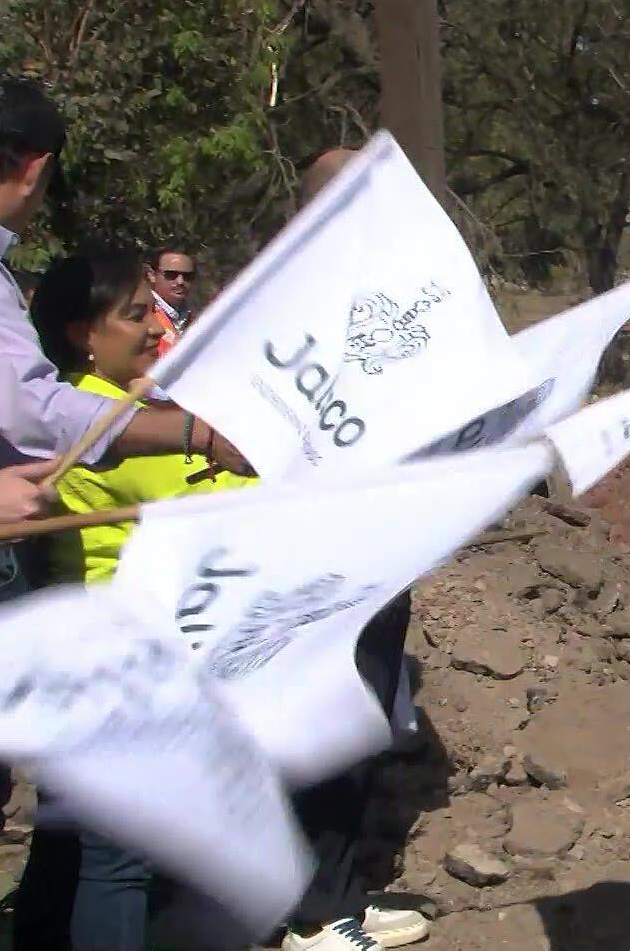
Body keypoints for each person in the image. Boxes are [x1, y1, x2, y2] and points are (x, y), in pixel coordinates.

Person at [0, 79, 251, 951]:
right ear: (34, 170)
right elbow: (31, 412)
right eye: (136, 309)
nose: (153, 324)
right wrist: (194, 435)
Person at [11, 253, 251, 951]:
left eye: (154, 307)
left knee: (66, 838)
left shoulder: (100, 409)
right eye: (136, 313)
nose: (156, 326)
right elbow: (220, 509)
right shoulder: (105, 426)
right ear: (84, 331)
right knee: (120, 859)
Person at [266, 144, 430, 951]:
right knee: (328, 730)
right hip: (328, 553)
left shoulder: (362, 295)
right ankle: (312, 916)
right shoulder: (298, 302)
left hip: (375, 542)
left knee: (354, 727)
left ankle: (335, 897)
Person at [144, 246, 195, 356]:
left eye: (188, 276)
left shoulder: (197, 319)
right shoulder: (140, 314)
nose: (180, 281)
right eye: (171, 275)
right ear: (152, 275)